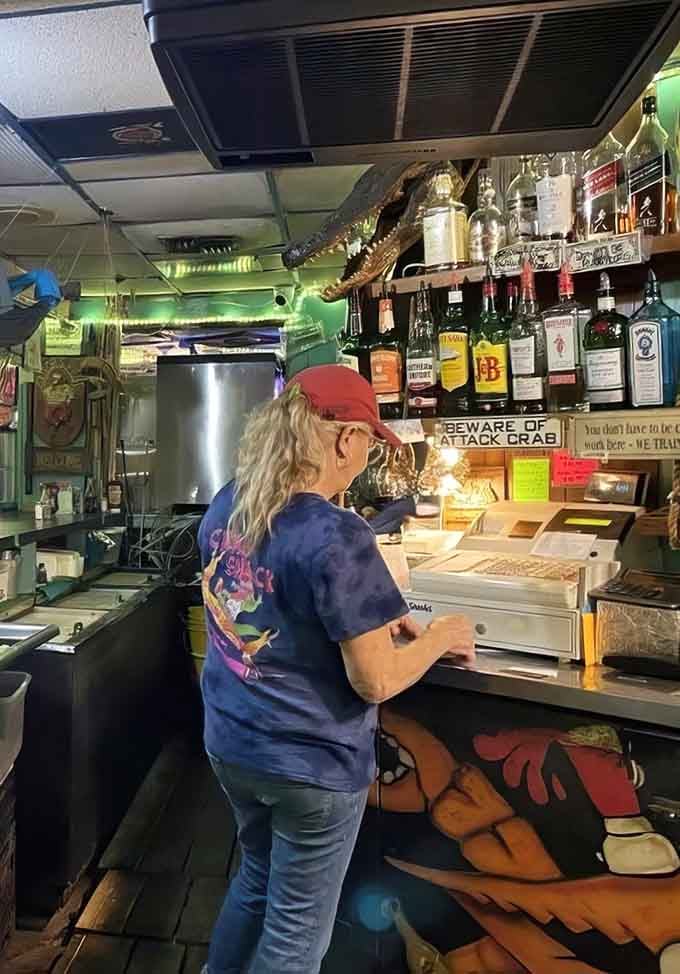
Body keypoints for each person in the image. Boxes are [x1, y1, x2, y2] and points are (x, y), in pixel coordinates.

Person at [198, 364, 474, 974]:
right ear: (347, 439)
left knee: (254, 883)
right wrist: (441, 638)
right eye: (370, 443)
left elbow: (262, 599)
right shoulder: (337, 531)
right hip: (309, 765)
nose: (367, 458)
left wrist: (382, 612)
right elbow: (373, 681)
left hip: (232, 744)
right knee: (296, 935)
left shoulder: (229, 503)